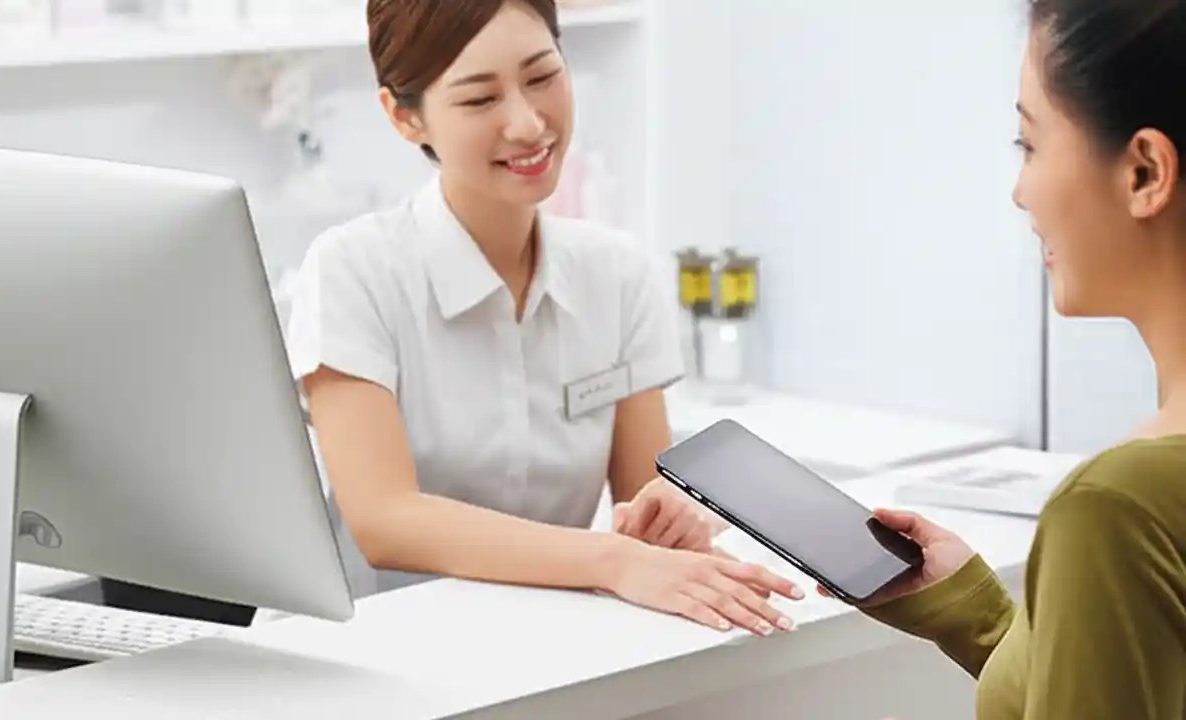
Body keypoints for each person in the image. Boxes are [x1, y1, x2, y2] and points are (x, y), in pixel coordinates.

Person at [285, 0, 804, 635]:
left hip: (558, 644)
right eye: (480, 100)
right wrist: (612, 559)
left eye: (542, 77)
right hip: (389, 648)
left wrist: (679, 515)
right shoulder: (353, 269)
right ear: (404, 116)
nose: (529, 125)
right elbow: (386, 522)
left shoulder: (617, 275)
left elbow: (645, 504)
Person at [849, 1, 1186, 717]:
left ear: (1145, 171)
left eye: (1028, 145)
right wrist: (980, 614)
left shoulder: (1118, 509)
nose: (1019, 191)